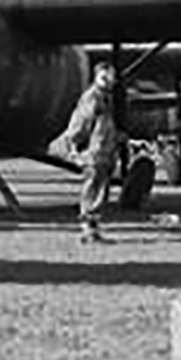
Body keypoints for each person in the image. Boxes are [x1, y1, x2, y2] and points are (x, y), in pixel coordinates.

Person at [60, 60, 123, 243]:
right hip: (93, 153)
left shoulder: (105, 98)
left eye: (111, 77)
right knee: (93, 190)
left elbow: (104, 126)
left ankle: (93, 229)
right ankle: (88, 228)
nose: (110, 80)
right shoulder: (92, 98)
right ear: (97, 77)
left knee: (100, 191)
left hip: (104, 152)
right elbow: (81, 123)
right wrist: (73, 148)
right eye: (106, 76)